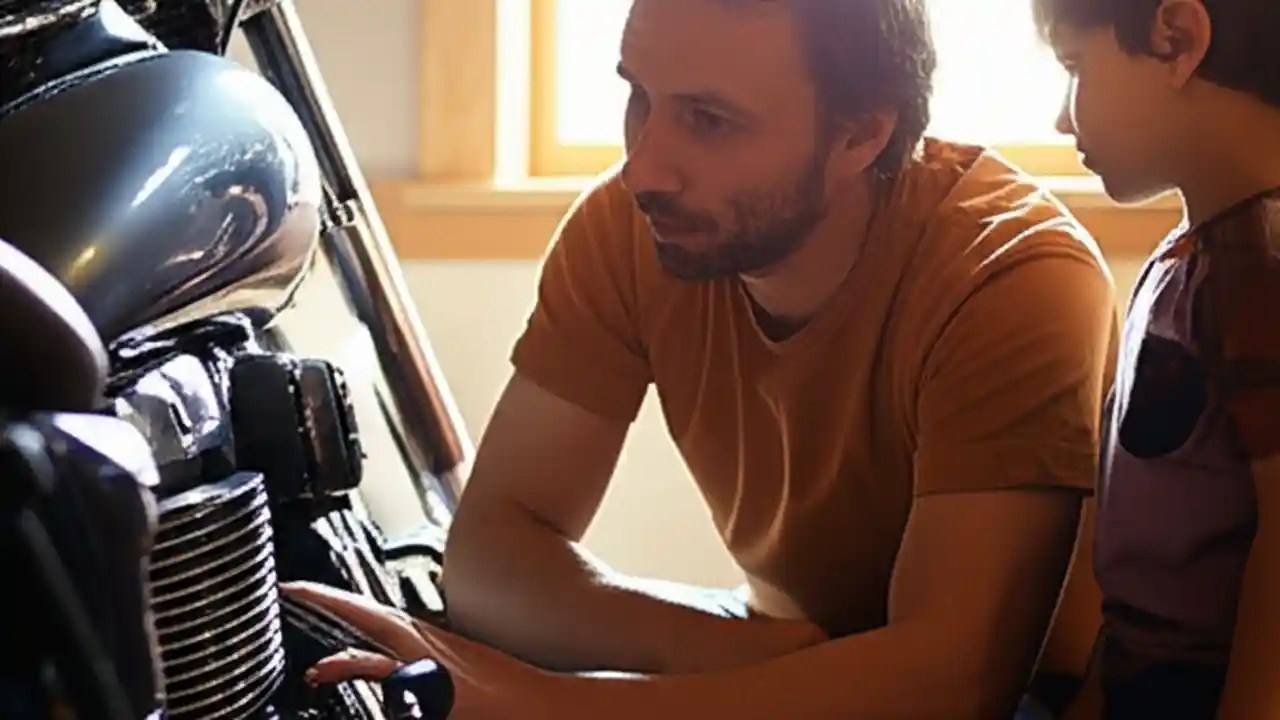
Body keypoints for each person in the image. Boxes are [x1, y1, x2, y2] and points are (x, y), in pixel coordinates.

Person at [283, 0, 1119, 717]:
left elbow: (952, 681)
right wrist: (720, 647)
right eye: (638, 98)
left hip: (1027, 696)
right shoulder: (631, 230)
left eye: (709, 120)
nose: (644, 166)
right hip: (774, 652)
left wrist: (543, 704)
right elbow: (493, 553)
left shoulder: (1010, 276)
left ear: (862, 133)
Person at [1029, 1, 1280, 718]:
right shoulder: (1195, 257)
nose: (1062, 120)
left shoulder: (1262, 269)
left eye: (1074, 68)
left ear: (1177, 40)